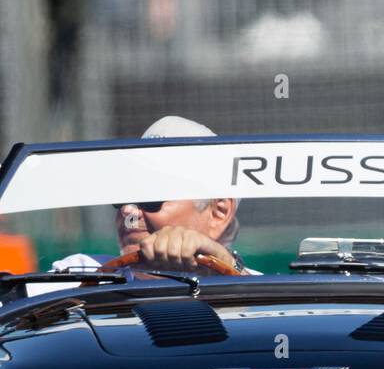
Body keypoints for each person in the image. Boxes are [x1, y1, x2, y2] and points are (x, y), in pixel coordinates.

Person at [49, 115, 255, 275]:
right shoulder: (80, 271)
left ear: (218, 213)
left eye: (152, 195)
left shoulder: (263, 294)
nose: (127, 210)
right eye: (123, 193)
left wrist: (224, 266)